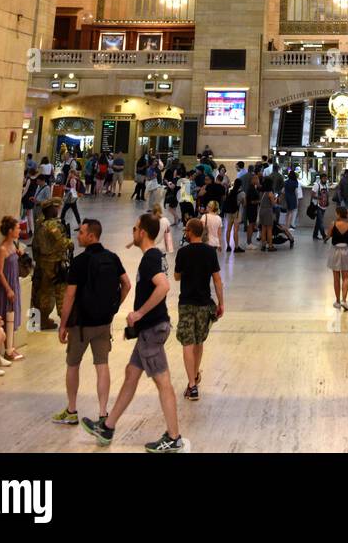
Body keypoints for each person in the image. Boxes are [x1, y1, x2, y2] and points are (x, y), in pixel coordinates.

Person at [82, 212, 184, 453]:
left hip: (153, 329)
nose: (132, 231)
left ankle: (174, 436)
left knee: (163, 383)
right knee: (131, 373)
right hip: (148, 330)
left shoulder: (150, 258)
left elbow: (164, 287)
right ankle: (107, 426)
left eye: (135, 228)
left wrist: (138, 314)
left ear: (143, 233)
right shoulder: (153, 255)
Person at [53, 218, 131, 428]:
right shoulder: (112, 258)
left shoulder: (79, 262)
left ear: (91, 236)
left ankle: (71, 410)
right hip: (103, 323)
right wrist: (114, 307)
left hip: (80, 325)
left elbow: (69, 296)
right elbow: (127, 284)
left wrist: (63, 324)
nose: (78, 235)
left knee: (73, 365)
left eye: (81, 232)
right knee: (102, 365)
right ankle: (103, 413)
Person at [174, 216, 224, 402]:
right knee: (199, 341)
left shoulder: (183, 253)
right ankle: (194, 375)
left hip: (186, 303)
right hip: (204, 303)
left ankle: (192, 386)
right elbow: (217, 280)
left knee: (187, 343)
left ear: (190, 232)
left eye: (186, 230)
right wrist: (221, 303)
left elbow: (177, 277)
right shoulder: (210, 252)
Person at [32, 201, 73, 330]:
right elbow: (62, 243)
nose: (58, 210)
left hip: (43, 264)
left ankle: (42, 320)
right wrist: (70, 243)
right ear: (50, 210)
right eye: (56, 207)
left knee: (44, 293)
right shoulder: (52, 226)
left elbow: (35, 246)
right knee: (62, 293)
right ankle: (66, 322)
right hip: (56, 265)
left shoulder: (40, 224)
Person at [0, 215, 25, 360]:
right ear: (10, 230)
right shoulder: (2, 249)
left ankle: (10, 347)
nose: (19, 230)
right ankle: (8, 350)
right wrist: (8, 289)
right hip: (6, 285)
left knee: (12, 315)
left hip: (14, 283)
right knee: (5, 315)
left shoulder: (14, 246)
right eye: (17, 228)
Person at [328, 206, 348, 310]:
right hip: (346, 250)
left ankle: (337, 301)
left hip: (335, 250)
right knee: (346, 276)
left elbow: (329, 235)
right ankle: (344, 300)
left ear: (338, 214)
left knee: (336, 277)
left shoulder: (333, 224)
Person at [222, 178, 246, 252]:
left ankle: (228, 246)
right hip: (236, 212)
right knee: (235, 230)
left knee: (228, 229)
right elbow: (244, 204)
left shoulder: (230, 191)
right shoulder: (242, 193)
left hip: (229, 212)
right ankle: (236, 247)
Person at [311, 172, 331, 241]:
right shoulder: (316, 185)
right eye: (324, 179)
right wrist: (319, 197)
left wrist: (327, 201)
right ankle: (324, 236)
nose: (325, 180)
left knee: (318, 221)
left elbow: (328, 194)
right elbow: (312, 195)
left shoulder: (326, 185)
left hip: (324, 205)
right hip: (318, 205)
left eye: (326, 179)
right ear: (321, 179)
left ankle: (315, 235)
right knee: (320, 221)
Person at [283, 168, 301, 234]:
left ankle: (285, 225)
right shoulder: (295, 182)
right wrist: (296, 200)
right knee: (291, 212)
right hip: (292, 197)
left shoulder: (286, 181)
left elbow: (283, 191)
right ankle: (288, 226)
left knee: (287, 212)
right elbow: (296, 192)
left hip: (287, 197)